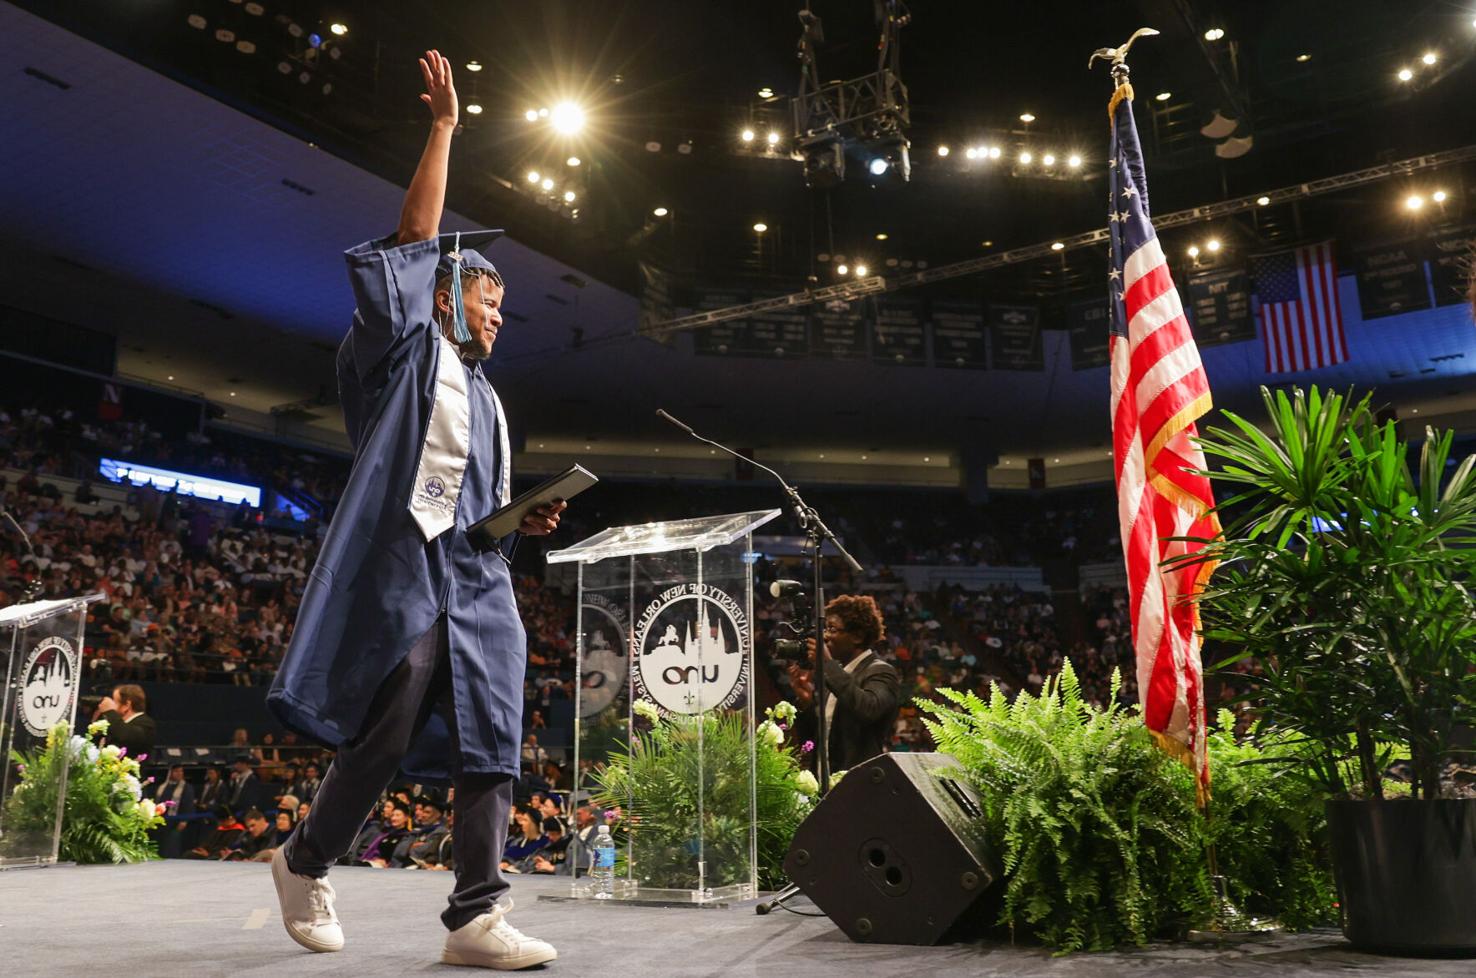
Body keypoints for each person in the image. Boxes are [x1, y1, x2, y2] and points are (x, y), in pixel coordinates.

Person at [265, 49, 563, 970]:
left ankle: (476, 916)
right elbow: (413, 237)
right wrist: (443, 130)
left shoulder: (491, 401)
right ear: (442, 295)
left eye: (504, 305)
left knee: (494, 743)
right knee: (384, 735)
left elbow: (479, 509)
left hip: (478, 575)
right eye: (486, 296)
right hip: (410, 571)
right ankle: (304, 859)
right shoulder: (401, 354)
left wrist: (523, 519)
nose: (498, 315)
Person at [788, 594, 902, 774]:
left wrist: (827, 664)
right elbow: (819, 738)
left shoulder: (881, 672)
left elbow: (868, 709)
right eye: (825, 629)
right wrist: (807, 703)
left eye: (832, 629)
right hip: (825, 785)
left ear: (857, 636)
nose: (824, 637)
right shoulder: (836, 676)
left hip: (859, 787)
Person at [90, 684, 156, 759]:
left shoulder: (146, 723)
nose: (112, 705)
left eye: (114, 701)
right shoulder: (115, 723)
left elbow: (125, 736)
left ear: (127, 705)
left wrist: (110, 711)